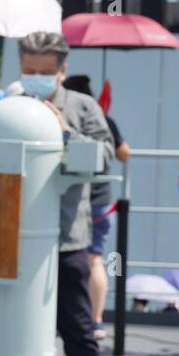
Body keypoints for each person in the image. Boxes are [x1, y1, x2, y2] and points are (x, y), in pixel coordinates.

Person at [13, 32, 124, 356]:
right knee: (8, 327)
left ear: (62, 70)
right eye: (29, 70)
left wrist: (66, 134)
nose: (36, 78)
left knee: (78, 331)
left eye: (45, 72)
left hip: (66, 238)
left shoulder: (82, 107)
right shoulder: (6, 107)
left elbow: (106, 157)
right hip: (13, 237)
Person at [64, 74, 131, 340]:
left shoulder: (65, 119)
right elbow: (125, 154)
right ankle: (96, 320)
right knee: (95, 260)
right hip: (102, 202)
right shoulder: (104, 120)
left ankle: (69, 318)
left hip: (72, 202)